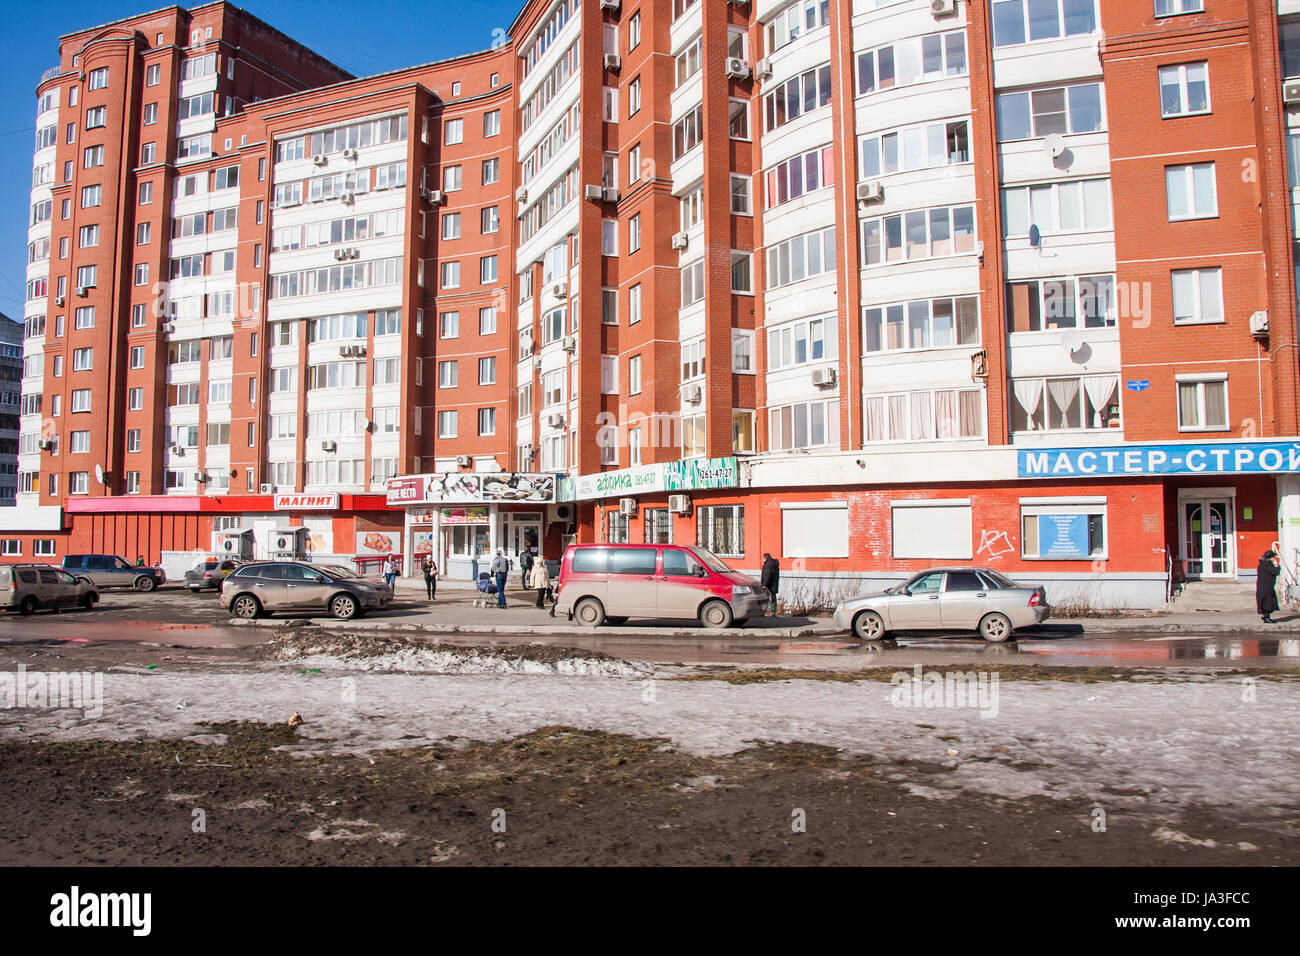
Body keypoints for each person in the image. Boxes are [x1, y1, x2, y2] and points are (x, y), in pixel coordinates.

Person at [1256, 549, 1281, 623]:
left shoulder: (1262, 564)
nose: (1274, 559)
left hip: (1263, 586)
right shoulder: (1267, 565)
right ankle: (1266, 617)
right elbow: (1275, 572)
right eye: (1273, 557)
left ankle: (1265, 616)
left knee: (1265, 601)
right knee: (1268, 602)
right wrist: (1278, 567)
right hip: (1267, 587)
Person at [761, 552, 780, 617]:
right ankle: (773, 611)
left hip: (769, 584)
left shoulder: (768, 565)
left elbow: (767, 575)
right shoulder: (774, 563)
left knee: (765, 598)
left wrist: (764, 584)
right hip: (774, 583)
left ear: (765, 557)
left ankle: (763, 612)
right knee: (773, 597)